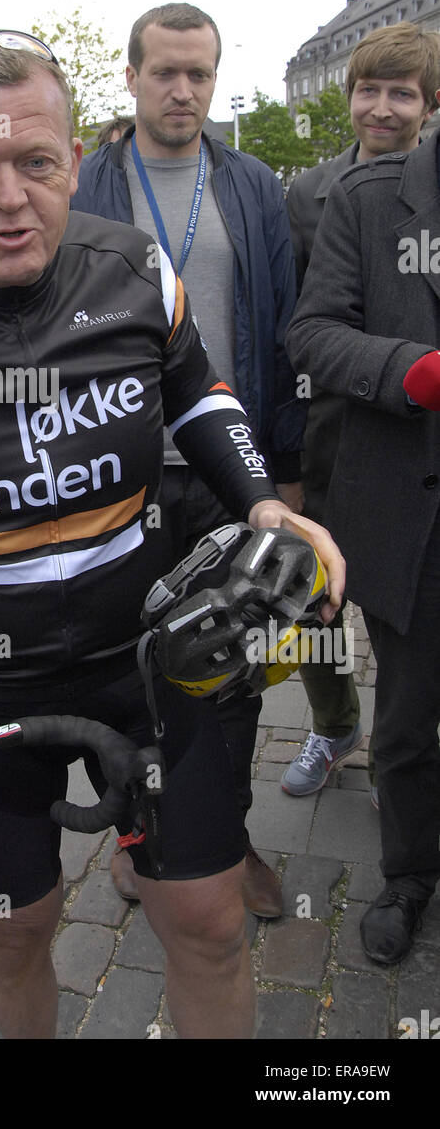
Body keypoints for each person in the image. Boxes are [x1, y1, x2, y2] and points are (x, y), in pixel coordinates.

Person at [0, 27, 344, 1038]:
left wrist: (263, 500)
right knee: (12, 930)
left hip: (151, 662)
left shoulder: (134, 265)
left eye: (36, 162)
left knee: (209, 921)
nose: (10, 196)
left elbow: (198, 392)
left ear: (75, 160)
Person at [71, 2, 305, 918]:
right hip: (115, 475)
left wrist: (280, 473)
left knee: (233, 667)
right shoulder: (86, 185)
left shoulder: (249, 185)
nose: (183, 89)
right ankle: (135, 832)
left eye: (199, 73)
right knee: (121, 662)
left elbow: (282, 337)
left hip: (226, 477)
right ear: (129, 76)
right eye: (164, 71)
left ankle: (226, 837)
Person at [287, 103, 440, 966]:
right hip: (415, 509)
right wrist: (410, 371)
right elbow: (312, 333)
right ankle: (411, 872)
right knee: (410, 717)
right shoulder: (370, 198)